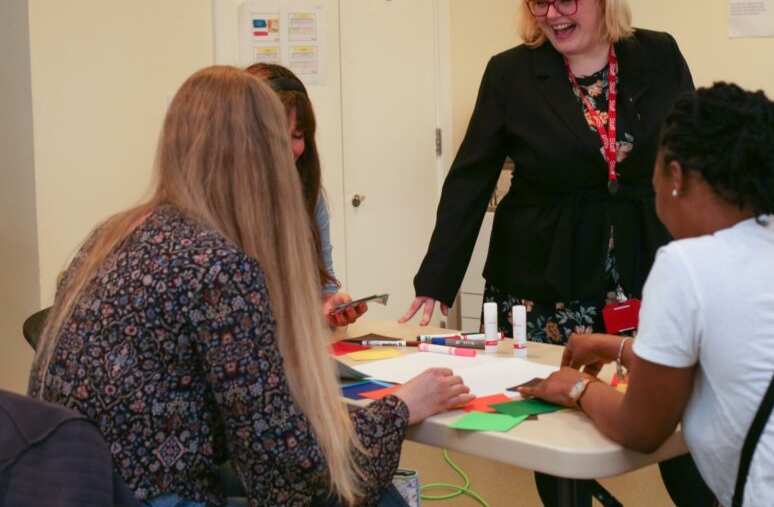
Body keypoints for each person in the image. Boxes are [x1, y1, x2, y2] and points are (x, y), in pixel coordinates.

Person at [29, 66, 473, 507]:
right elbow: (288, 472)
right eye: (281, 142)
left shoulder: (111, 234)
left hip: (77, 483)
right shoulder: (218, 264)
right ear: (255, 153)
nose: (292, 156)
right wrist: (400, 408)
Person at [520, 82, 774, 507]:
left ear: (675, 177)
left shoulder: (685, 264)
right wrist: (614, 347)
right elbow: (732, 360)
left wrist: (576, 387)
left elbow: (641, 431)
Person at [403, 0, 694, 345]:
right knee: (540, 395)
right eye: (539, 3)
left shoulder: (658, 54)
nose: (552, 15)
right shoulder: (511, 74)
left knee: (633, 395)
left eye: (565, 1)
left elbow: (694, 153)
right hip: (542, 276)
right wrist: (437, 278)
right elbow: (470, 180)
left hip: (641, 262)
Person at [245, 62, 362, 328]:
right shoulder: (214, 207)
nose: (289, 149)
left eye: (298, 135)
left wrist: (330, 308)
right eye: (276, 136)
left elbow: (323, 289)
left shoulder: (310, 196)